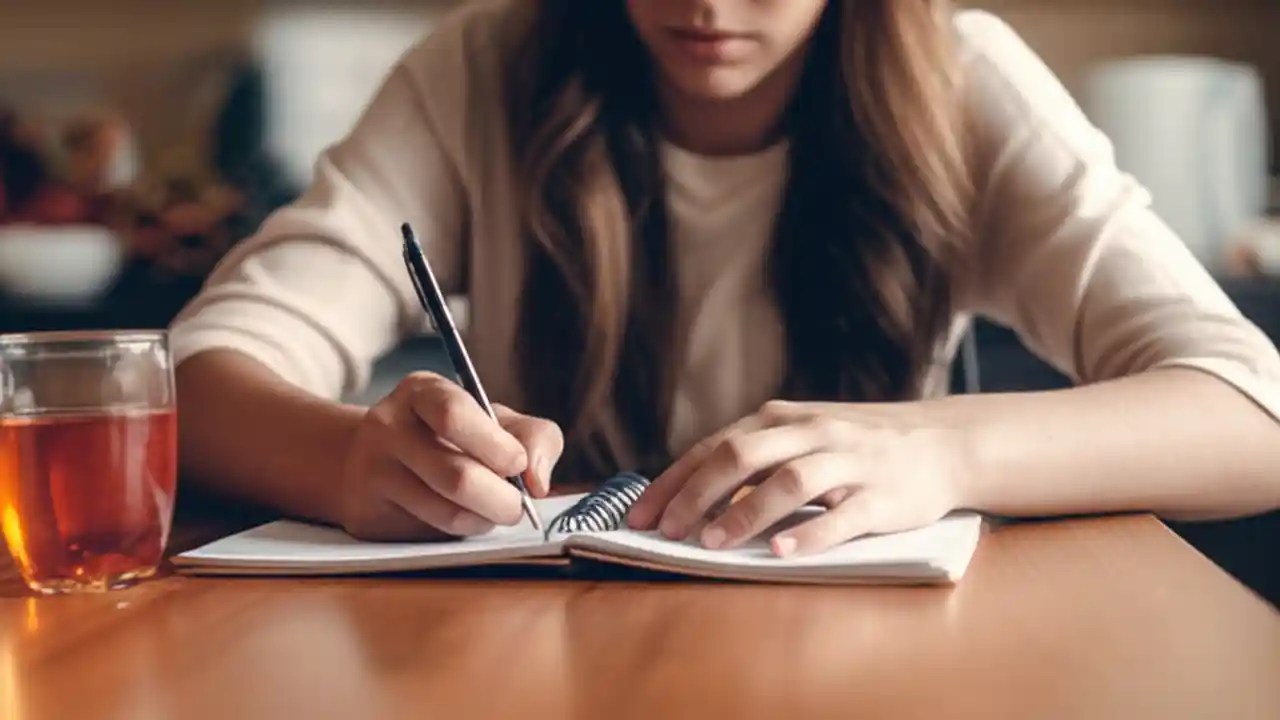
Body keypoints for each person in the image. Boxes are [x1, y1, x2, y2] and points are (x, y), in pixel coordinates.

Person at [170, 0, 1280, 556]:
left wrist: (939, 449)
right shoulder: (479, 70)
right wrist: (350, 460)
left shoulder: (962, 81)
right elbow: (190, 376)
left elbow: (1251, 415)